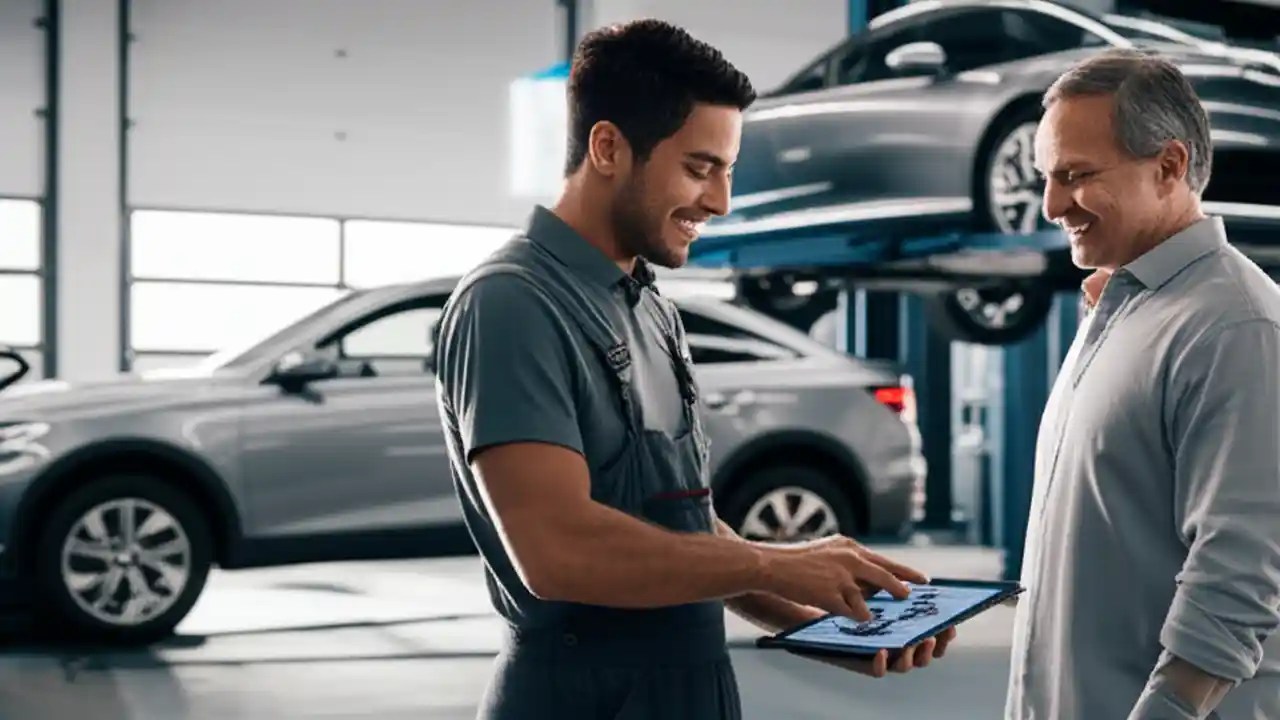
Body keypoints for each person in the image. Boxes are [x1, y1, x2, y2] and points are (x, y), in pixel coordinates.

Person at [433, 19, 954, 720]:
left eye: (728, 171)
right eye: (700, 168)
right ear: (609, 147)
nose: (720, 202)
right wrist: (781, 564)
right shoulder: (511, 304)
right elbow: (557, 550)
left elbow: (685, 527)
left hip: (687, 690)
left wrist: (814, 623)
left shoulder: (650, 307)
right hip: (579, 699)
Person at [1006, 48, 1280, 719]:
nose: (1049, 205)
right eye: (1047, 177)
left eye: (1075, 176)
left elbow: (1238, 577)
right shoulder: (1121, 308)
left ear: (1169, 168)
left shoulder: (1237, 328)